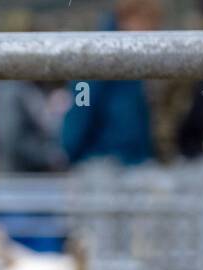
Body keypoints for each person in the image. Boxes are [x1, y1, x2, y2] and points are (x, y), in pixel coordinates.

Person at [60, 0, 162, 168]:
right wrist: (71, 149)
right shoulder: (91, 61)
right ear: (130, 18)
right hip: (100, 166)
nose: (153, 32)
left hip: (130, 165)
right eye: (149, 23)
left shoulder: (133, 66)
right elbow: (79, 107)